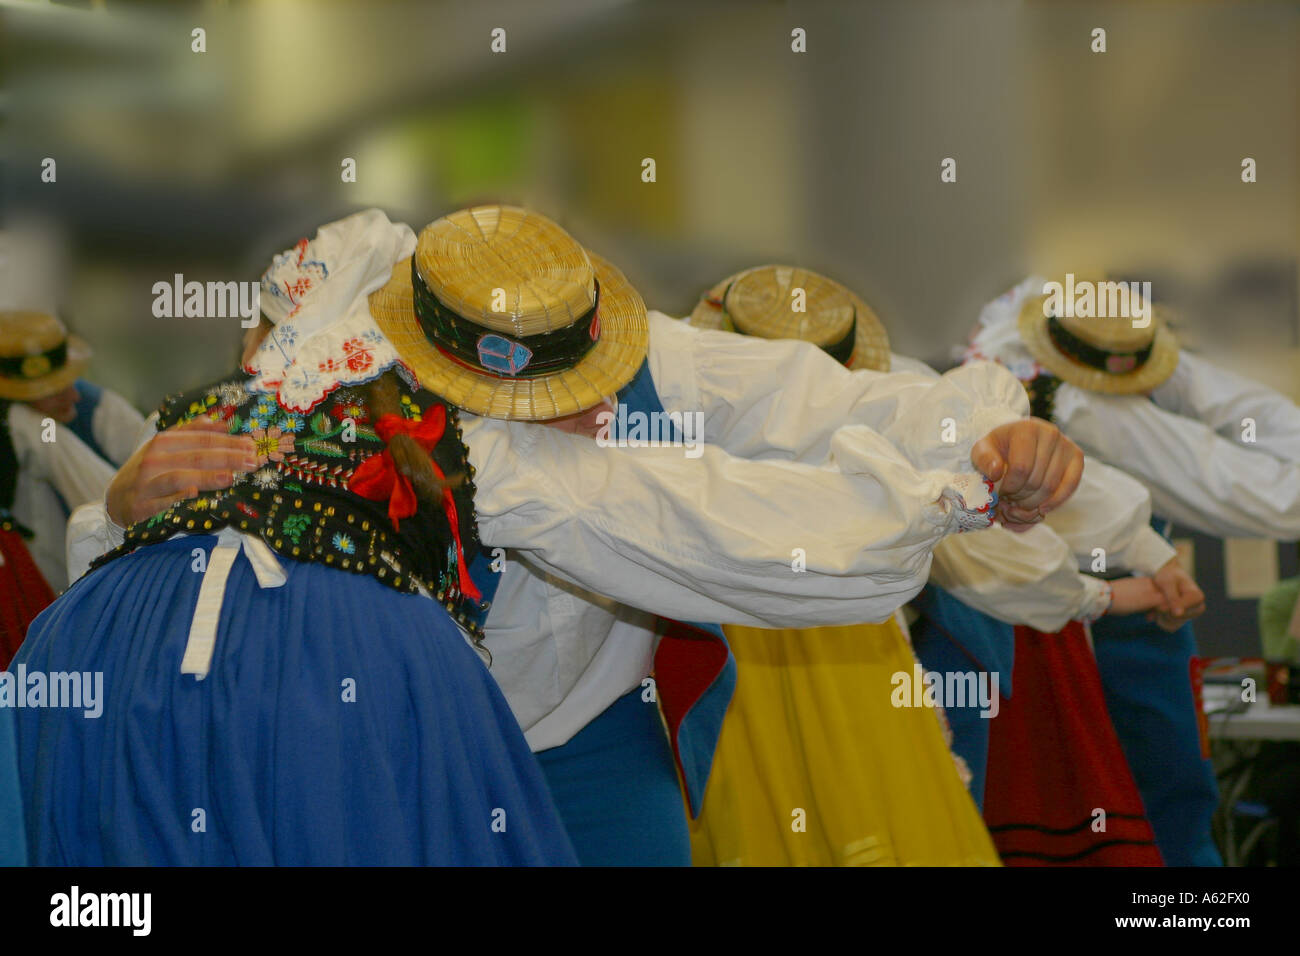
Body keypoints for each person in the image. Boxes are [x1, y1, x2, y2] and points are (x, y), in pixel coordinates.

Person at [63, 207, 1085, 866]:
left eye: (584, 378)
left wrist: (986, 442)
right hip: (400, 740)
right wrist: (117, 506)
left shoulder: (655, 363)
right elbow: (149, 557)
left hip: (597, 734)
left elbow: (830, 401)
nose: (585, 409)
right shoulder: (330, 404)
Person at [686, 265, 1187, 865]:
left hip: (753, 645)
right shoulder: (891, 415)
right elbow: (992, 544)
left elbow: (1000, 511)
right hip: (828, 647)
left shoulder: (696, 412)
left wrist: (1135, 562)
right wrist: (1110, 589)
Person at [965, 275, 1287, 866]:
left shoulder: (1000, 348)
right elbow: (1276, 494)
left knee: (1064, 813)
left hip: (1026, 619)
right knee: (1165, 806)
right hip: (1109, 623)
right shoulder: (1097, 412)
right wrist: (1178, 376)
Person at [0, 311, 119, 666]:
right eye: (53, 390)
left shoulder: (75, 414)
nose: (73, 395)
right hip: (32, 596)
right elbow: (110, 498)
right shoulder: (33, 427)